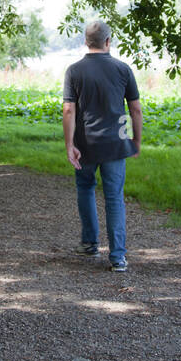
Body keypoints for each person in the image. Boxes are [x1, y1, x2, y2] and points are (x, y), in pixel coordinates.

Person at [62, 19, 142, 272]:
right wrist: (136, 140)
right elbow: (136, 109)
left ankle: (89, 243)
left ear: (86, 42)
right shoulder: (123, 69)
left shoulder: (74, 71)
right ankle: (118, 257)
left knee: (85, 188)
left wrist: (69, 145)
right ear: (109, 41)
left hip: (85, 143)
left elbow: (68, 110)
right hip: (116, 143)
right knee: (114, 197)